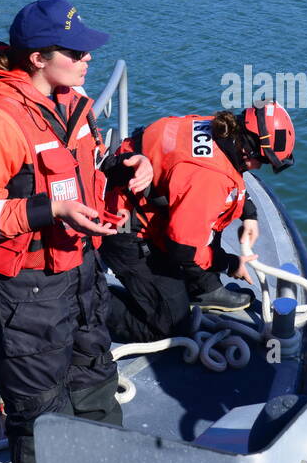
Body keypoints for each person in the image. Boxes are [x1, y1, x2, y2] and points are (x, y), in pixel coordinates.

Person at [0, 0, 151, 463]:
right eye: (75, 52)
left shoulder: (74, 103)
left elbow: (92, 162)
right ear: (36, 58)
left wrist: (128, 166)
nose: (87, 60)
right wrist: (49, 208)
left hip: (80, 281)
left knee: (95, 389)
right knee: (40, 428)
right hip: (20, 297)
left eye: (87, 50)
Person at [99, 101, 296, 344]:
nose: (260, 167)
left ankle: (203, 288)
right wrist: (231, 263)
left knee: (214, 213)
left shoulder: (218, 129)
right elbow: (182, 249)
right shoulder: (209, 178)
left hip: (135, 202)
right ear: (248, 149)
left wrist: (250, 214)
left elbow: (217, 178)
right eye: (263, 161)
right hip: (124, 230)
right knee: (170, 324)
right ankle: (82, 303)